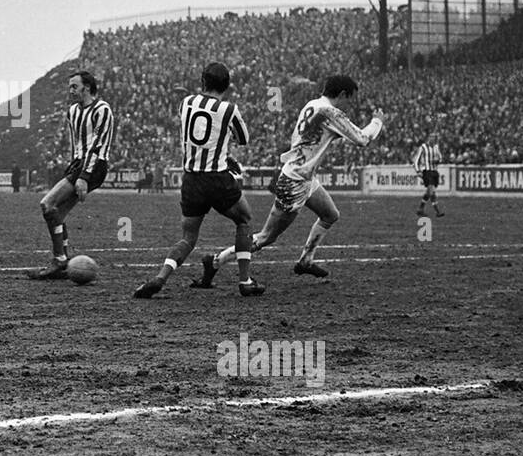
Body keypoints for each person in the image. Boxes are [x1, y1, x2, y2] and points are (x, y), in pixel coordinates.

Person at [201, 74, 385, 284]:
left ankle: (305, 261)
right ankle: (215, 261)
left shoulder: (312, 105)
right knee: (266, 237)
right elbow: (362, 139)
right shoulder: (329, 112)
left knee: (330, 215)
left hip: (303, 177)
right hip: (295, 181)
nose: (349, 105)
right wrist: (377, 121)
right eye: (349, 99)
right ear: (342, 94)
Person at [134, 63, 263, 298]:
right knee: (244, 220)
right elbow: (243, 139)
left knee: (188, 238)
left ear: (203, 82)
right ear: (227, 85)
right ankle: (245, 281)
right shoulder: (228, 109)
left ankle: (160, 277)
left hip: (191, 180)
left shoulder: (186, 103)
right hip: (217, 178)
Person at [28, 70, 115, 280]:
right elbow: (75, 143)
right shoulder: (73, 111)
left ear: (87, 87)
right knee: (56, 212)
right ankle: (63, 261)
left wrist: (84, 177)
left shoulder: (102, 109)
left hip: (94, 166)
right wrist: (74, 168)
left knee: (47, 204)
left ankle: (59, 260)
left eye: (74, 86)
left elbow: (97, 145)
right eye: (69, 87)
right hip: (78, 165)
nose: (71, 90)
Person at [412, 133, 444, 218]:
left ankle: (420, 209)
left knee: (429, 191)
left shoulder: (436, 147)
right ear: (428, 138)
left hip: (434, 171)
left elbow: (440, 157)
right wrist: (418, 171)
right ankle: (437, 211)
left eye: (434, 137)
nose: (433, 139)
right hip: (426, 171)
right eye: (431, 137)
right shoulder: (423, 147)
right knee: (431, 190)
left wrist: (438, 160)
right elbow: (416, 160)